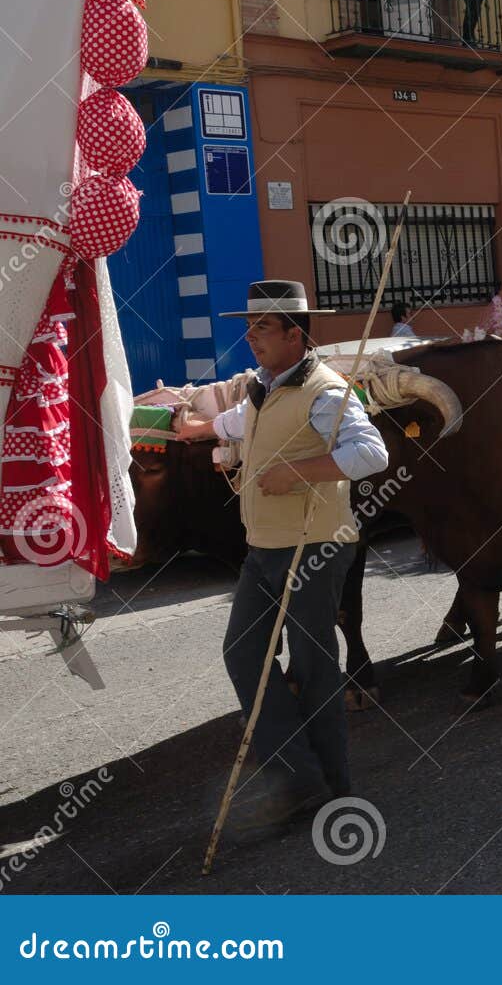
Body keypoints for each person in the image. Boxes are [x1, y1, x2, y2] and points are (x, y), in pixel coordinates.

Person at [172, 280, 390, 830]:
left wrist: (296, 472)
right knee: (242, 653)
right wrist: (193, 428)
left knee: (313, 665)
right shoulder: (260, 388)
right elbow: (237, 423)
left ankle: (331, 786)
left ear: (296, 334)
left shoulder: (326, 391)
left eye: (263, 327)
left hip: (313, 546)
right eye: (249, 327)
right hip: (263, 548)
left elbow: (371, 453)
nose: (251, 336)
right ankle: (299, 776)